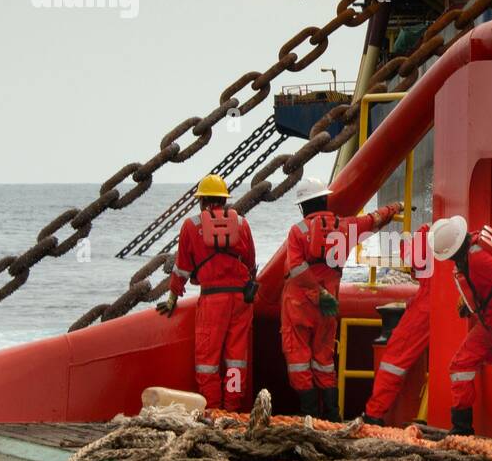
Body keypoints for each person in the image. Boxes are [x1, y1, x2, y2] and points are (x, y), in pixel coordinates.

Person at [281, 177, 402, 419]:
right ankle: (333, 418)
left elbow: (295, 267)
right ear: (325, 200)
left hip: (298, 304)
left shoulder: (298, 231)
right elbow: (375, 220)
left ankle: (310, 417)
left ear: (304, 206)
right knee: (325, 360)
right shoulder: (346, 227)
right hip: (329, 307)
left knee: (298, 360)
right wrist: (395, 207)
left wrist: (316, 293)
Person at [157, 174, 257, 411]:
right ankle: (232, 410)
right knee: (236, 360)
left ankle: (212, 410)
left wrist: (172, 297)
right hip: (242, 300)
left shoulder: (192, 226)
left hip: (213, 301)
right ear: (224, 200)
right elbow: (251, 264)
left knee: (207, 362)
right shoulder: (242, 224)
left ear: (201, 201)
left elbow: (182, 268)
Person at [429, 214, 492, 436]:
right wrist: (470, 299)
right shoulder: (471, 253)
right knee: (489, 362)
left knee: (460, 365)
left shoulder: (478, 261)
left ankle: (462, 429)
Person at [362, 223, 433, 426]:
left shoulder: (424, 236)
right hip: (458, 300)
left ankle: (374, 415)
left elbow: (415, 262)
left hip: (429, 303)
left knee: (393, 359)